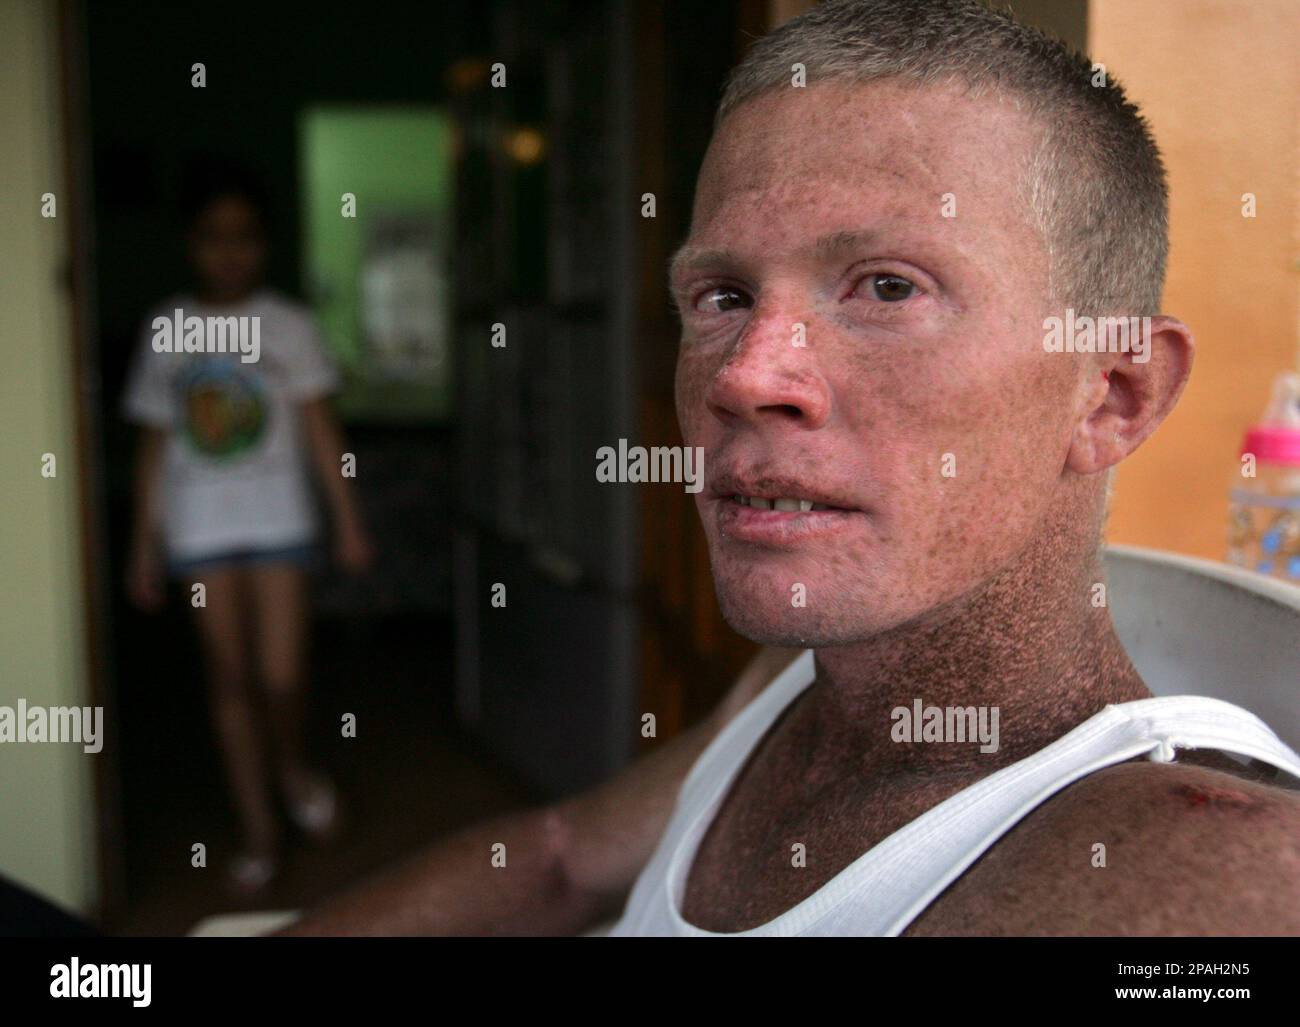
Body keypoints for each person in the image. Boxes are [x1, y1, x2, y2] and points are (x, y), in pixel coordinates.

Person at [281, 0, 1300, 935]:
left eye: (887, 287)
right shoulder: (795, 683)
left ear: (1114, 394)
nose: (744, 377)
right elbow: (552, 859)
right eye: (720, 296)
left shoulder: (1212, 873)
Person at [123, 170, 374, 894]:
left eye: (244, 238)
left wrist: (348, 521)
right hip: (198, 530)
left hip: (281, 523)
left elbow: (323, 429)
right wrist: (143, 542)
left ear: (262, 245)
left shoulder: (289, 324)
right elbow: (154, 443)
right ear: (191, 244)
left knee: (281, 675)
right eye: (213, 238)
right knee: (228, 679)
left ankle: (292, 769)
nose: (229, 253)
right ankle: (259, 826)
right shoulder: (166, 325)